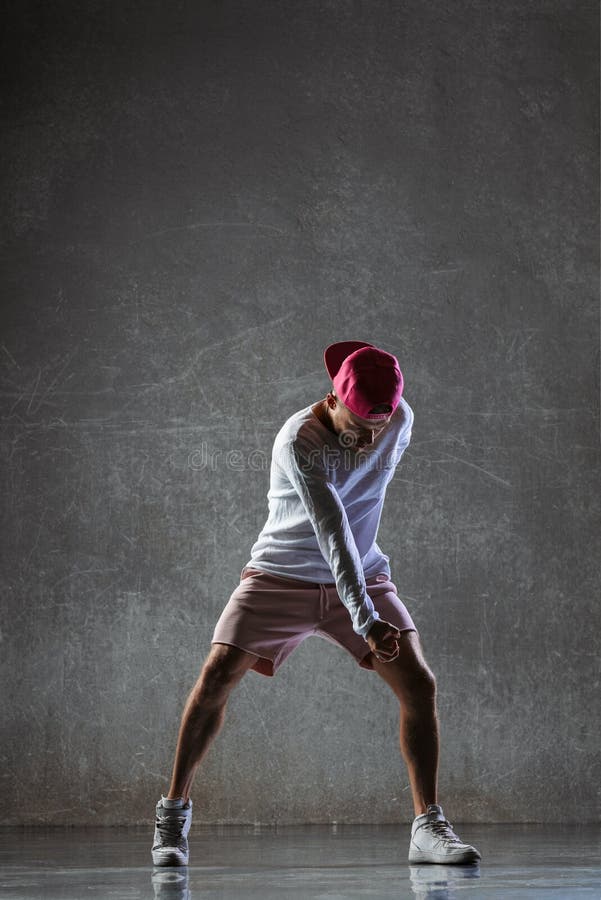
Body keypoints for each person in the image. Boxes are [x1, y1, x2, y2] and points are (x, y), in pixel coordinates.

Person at [151, 340, 481, 868]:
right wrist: (365, 619)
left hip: (364, 573)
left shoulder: (399, 421)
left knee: (419, 683)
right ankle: (172, 820)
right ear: (332, 399)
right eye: (356, 425)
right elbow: (333, 532)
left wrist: (367, 607)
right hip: (283, 572)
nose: (368, 438)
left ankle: (428, 828)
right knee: (215, 676)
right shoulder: (298, 440)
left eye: (379, 424)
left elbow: (362, 515)